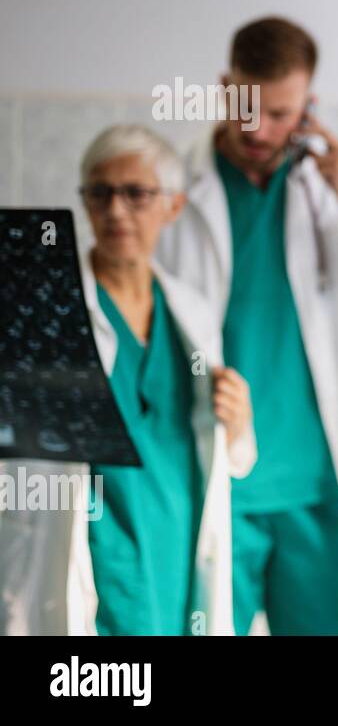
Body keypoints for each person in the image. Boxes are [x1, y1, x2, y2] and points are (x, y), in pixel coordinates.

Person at [156, 17, 338, 635]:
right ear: (223, 85)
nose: (258, 130)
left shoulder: (333, 185)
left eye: (281, 113)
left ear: (309, 106)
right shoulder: (176, 187)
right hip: (222, 483)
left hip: (320, 486)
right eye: (246, 107)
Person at [0, 124, 254, 635]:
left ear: (173, 206)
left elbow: (231, 459)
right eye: (101, 192)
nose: (116, 210)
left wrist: (240, 423)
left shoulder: (193, 313)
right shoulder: (41, 308)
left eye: (136, 194)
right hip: (90, 547)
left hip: (176, 547)